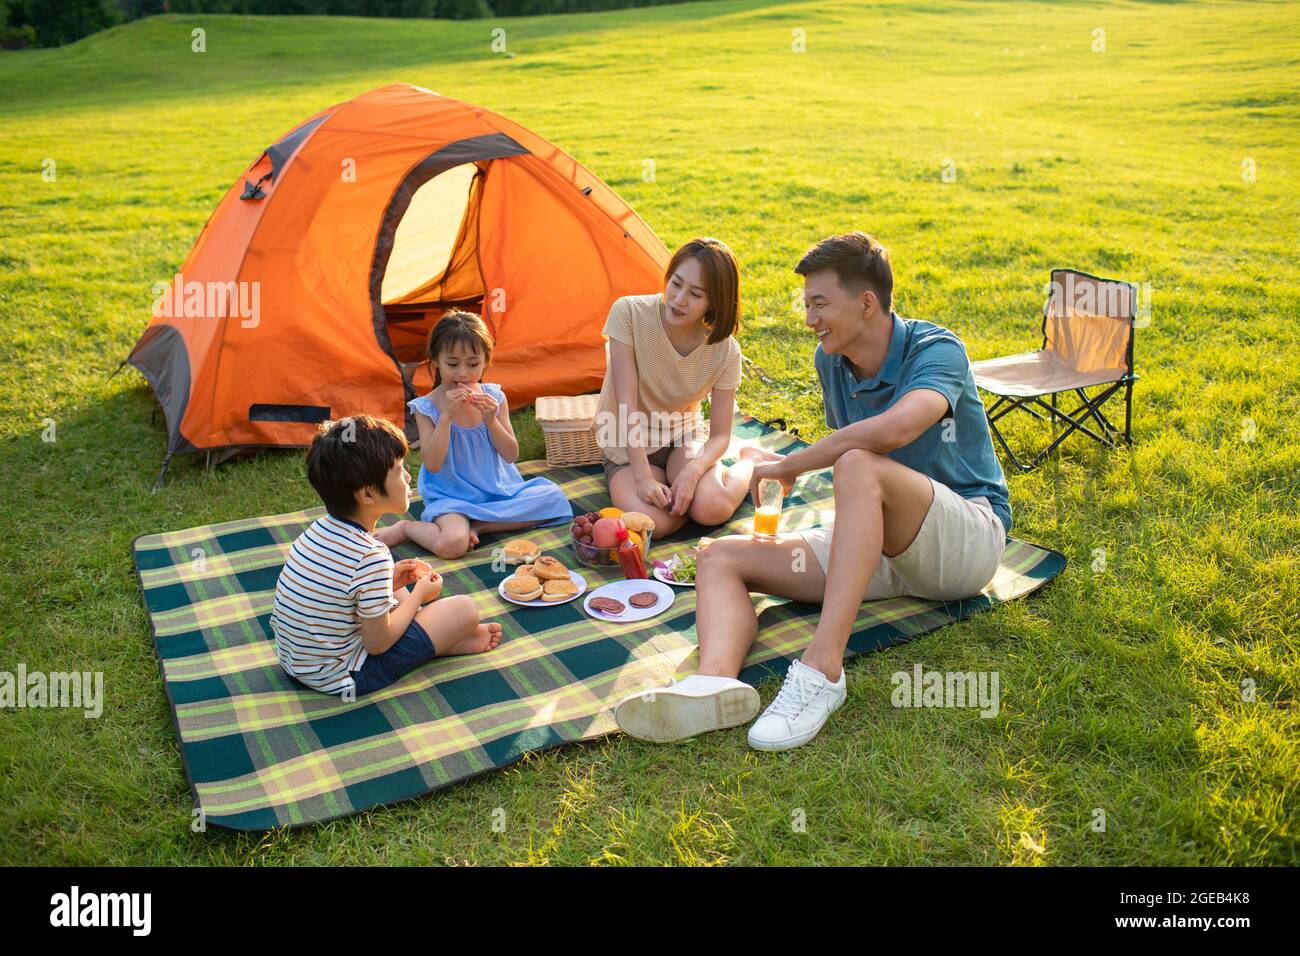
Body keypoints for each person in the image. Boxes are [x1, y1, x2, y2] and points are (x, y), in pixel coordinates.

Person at [615, 231, 1012, 750]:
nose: (808, 320)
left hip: (964, 544)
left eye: (819, 303)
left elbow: (894, 431)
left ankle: (822, 670)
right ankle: (713, 683)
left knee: (857, 464)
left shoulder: (937, 350)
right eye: (806, 305)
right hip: (882, 549)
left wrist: (791, 465)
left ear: (867, 303)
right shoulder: (832, 362)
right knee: (718, 558)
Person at [270, 415, 502, 698]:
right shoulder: (371, 556)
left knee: (397, 584)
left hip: (297, 663)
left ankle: (439, 638)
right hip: (347, 675)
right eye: (399, 469)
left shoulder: (318, 531)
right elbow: (377, 645)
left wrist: (390, 584)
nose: (407, 477)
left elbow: (338, 593)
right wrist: (418, 595)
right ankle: (443, 643)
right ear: (368, 494)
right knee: (464, 610)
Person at [594, 237, 766, 538]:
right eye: (676, 283)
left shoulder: (726, 351)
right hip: (626, 444)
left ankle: (751, 460)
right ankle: (686, 502)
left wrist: (694, 471)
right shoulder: (629, 313)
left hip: (681, 438)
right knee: (652, 525)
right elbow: (626, 403)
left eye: (695, 294)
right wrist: (644, 477)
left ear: (715, 302)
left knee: (712, 508)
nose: (679, 299)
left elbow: (721, 435)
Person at [376, 311, 573, 558]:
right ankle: (407, 528)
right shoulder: (427, 407)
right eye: (453, 363)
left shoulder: (494, 398)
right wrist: (446, 418)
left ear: (486, 361)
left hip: (499, 491)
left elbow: (511, 455)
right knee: (453, 544)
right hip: (452, 496)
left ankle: (480, 525)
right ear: (435, 362)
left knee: (555, 501)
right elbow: (433, 464)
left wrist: (491, 421)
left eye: (473, 363)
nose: (463, 373)